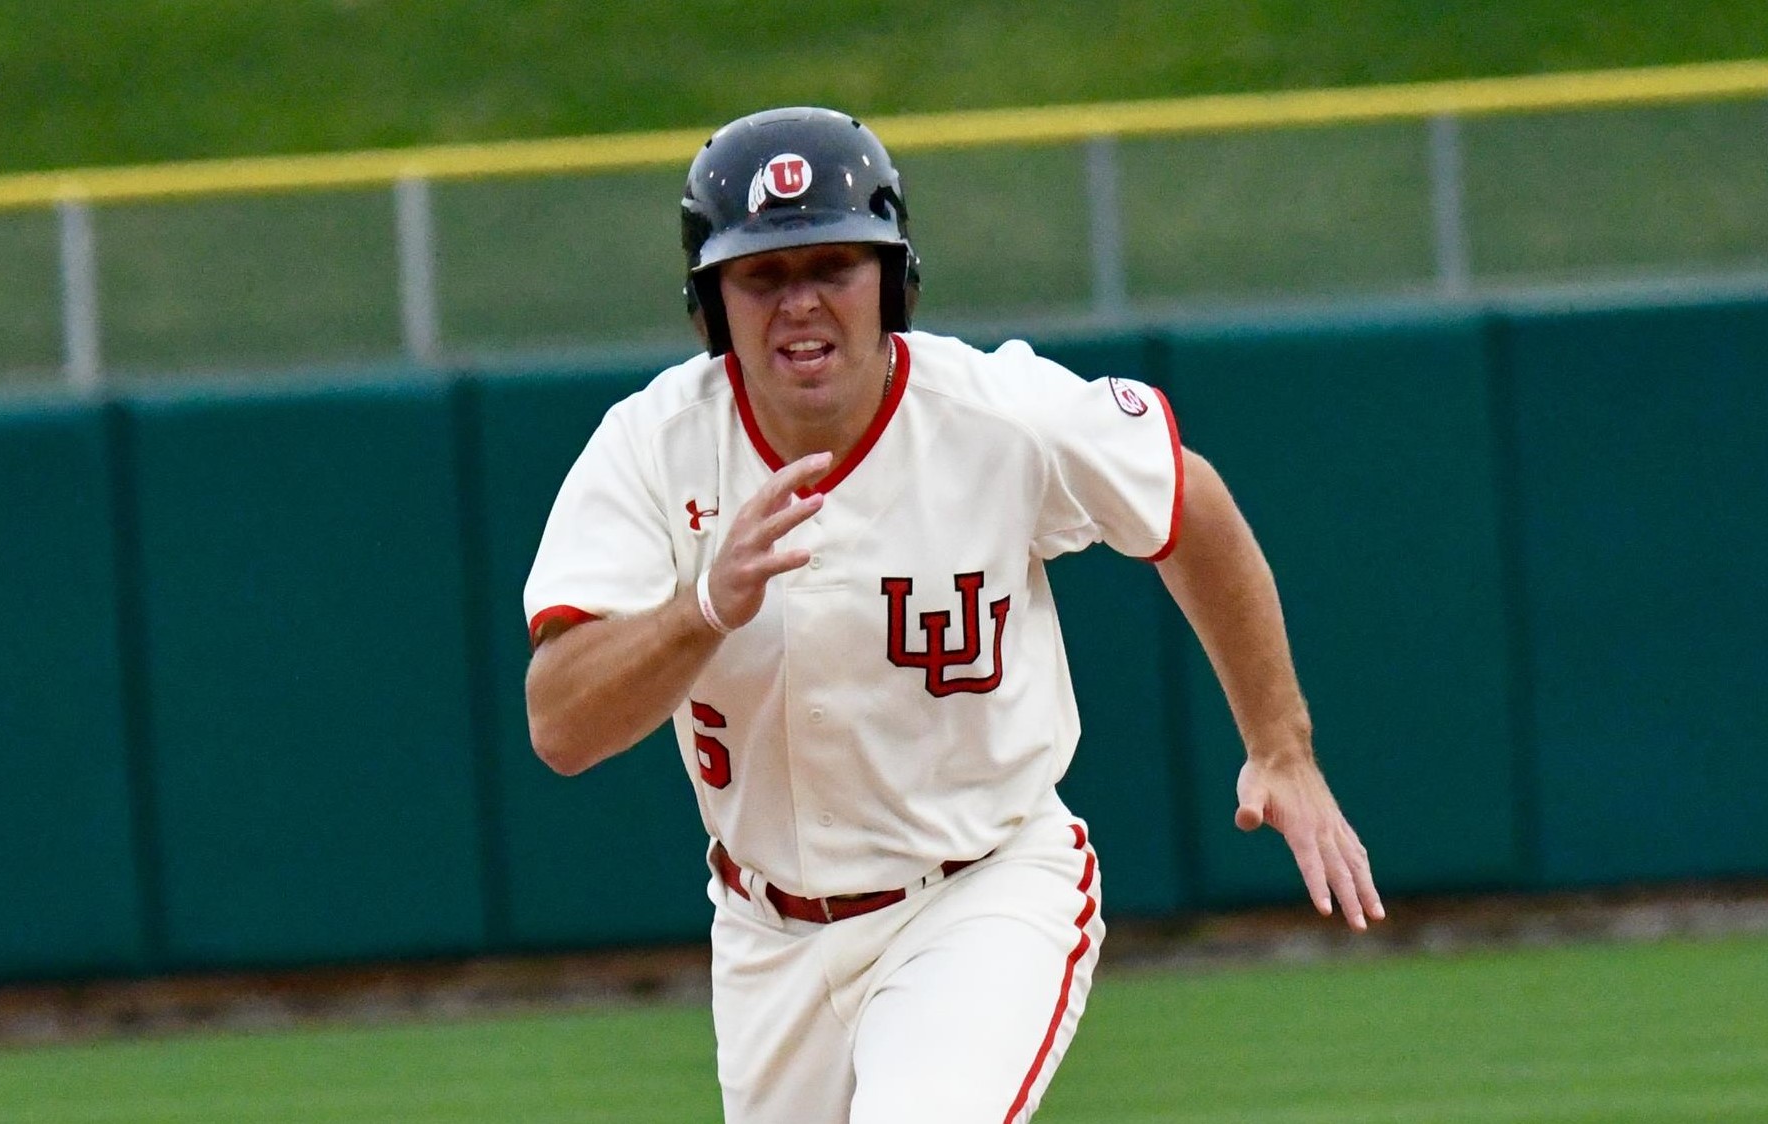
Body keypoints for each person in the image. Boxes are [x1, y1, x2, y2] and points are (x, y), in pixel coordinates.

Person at [522, 106, 1384, 1124]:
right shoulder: (651, 448)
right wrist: (703, 605)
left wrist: (1279, 743)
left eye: (833, 264)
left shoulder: (996, 415)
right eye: (762, 275)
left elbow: (1184, 500)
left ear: (889, 280)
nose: (799, 302)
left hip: (977, 890)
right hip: (766, 935)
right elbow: (560, 723)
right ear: (711, 301)